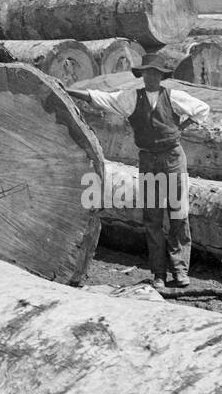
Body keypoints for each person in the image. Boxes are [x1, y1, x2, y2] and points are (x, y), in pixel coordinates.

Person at [68, 54, 209, 289]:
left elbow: (202, 109)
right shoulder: (132, 97)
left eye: (155, 73)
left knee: (178, 213)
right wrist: (69, 91)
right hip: (148, 160)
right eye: (147, 72)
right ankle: (159, 273)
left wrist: (180, 127)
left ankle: (180, 270)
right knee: (152, 218)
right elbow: (102, 98)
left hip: (173, 158)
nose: (151, 77)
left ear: (161, 76)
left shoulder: (173, 96)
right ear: (142, 75)